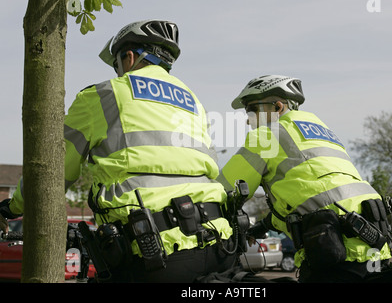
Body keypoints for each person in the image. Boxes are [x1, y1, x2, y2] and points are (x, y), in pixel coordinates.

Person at [0, 20, 236, 282]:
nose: (117, 72)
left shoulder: (104, 95)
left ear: (130, 57)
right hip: (220, 243)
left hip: (152, 254)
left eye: (116, 64)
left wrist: (11, 207)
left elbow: (52, 170)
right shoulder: (193, 102)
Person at [217, 75, 392, 283]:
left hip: (337, 250)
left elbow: (222, 190)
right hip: (375, 244)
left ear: (277, 107)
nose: (248, 119)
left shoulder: (268, 136)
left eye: (252, 110)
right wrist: (264, 226)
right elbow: (310, 195)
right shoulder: (321, 132)